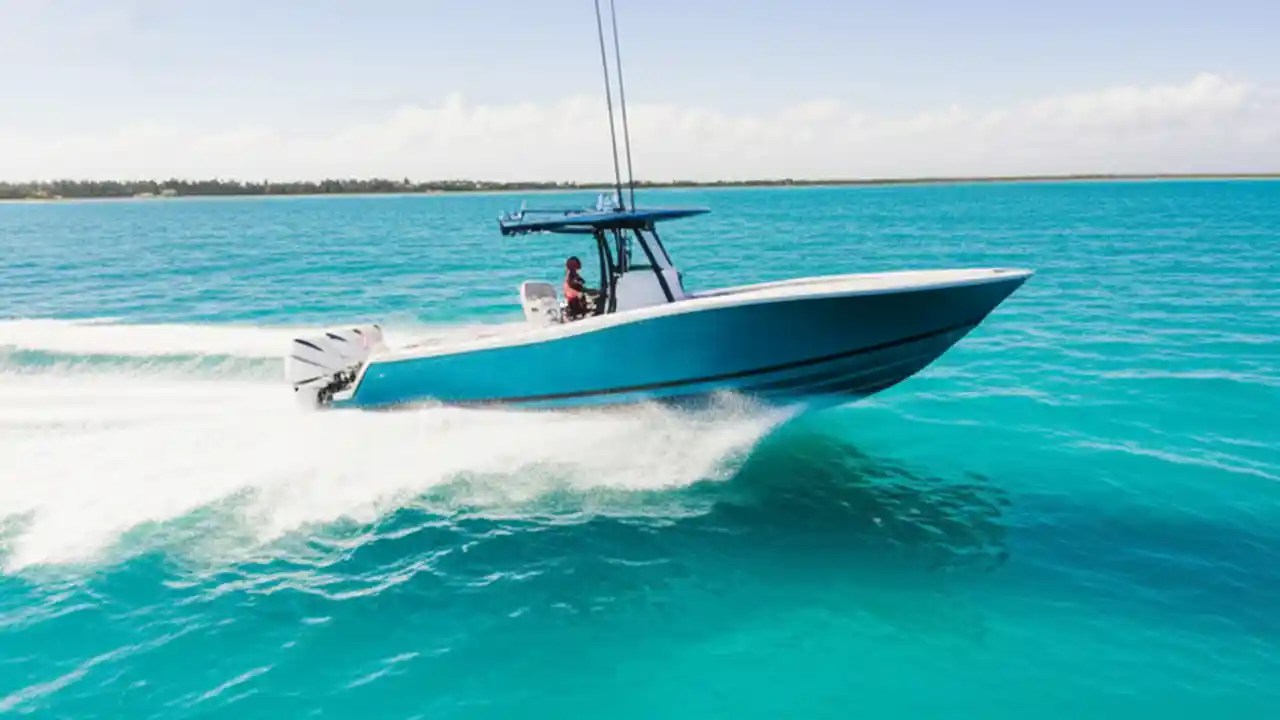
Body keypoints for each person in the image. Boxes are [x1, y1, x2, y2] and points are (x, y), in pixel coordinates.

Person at [563, 256, 598, 320]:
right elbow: (576, 286)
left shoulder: (571, 276)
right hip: (576, 305)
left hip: (575, 302)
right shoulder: (572, 277)